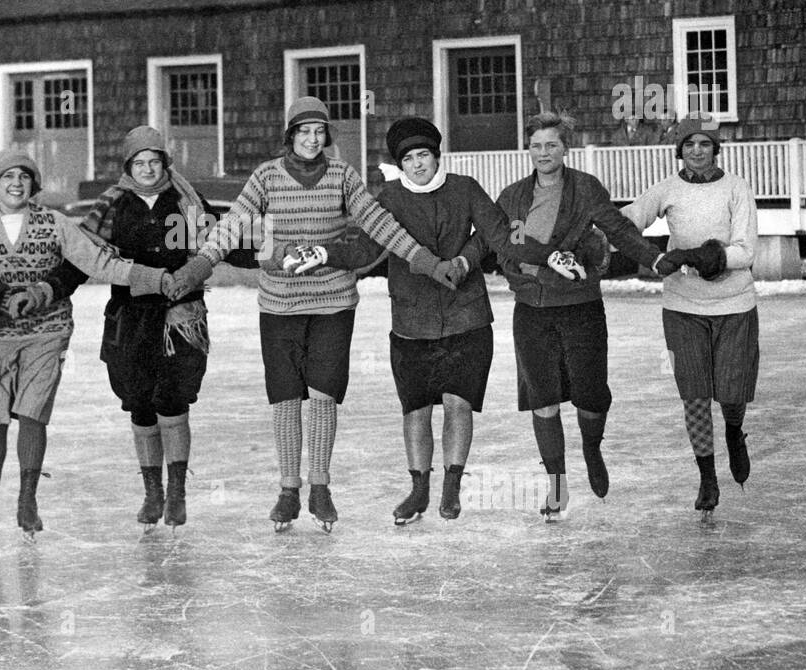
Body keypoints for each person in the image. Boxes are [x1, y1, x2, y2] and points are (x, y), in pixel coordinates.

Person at [168, 96, 451, 533]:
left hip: (332, 303)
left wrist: (426, 260)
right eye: (304, 131)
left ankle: (319, 486)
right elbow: (234, 224)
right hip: (280, 305)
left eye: (319, 132)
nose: (312, 140)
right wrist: (199, 265)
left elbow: (378, 223)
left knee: (322, 396)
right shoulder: (266, 176)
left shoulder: (341, 175)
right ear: (290, 135)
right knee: (285, 398)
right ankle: (287, 489)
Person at [285, 117, 561, 525]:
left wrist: (528, 255)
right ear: (400, 164)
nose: (417, 164)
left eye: (424, 156)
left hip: (466, 316)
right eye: (409, 158)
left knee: (457, 403)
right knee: (415, 410)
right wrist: (324, 254)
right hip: (412, 320)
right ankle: (419, 489)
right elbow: (365, 247)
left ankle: (451, 485)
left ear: (437, 156)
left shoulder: (464, 188)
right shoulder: (391, 197)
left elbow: (497, 234)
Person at [45, 126, 257, 529]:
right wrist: (50, 288)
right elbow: (81, 259)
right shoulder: (112, 207)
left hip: (181, 317)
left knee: (173, 400)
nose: (147, 169)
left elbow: (222, 243)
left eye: (153, 161)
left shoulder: (186, 203)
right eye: (139, 162)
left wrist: (269, 258)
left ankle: (176, 492)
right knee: (140, 403)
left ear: (164, 163)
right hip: (130, 320)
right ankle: (152, 493)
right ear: (128, 167)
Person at [0, 149, 167, 541]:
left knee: (33, 413)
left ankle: (27, 500)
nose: (16, 183)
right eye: (8, 177)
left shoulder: (54, 223)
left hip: (48, 331)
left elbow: (99, 263)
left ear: (34, 185)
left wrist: (154, 278)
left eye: (23, 177)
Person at [496, 112, 677, 519]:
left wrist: (655, 258)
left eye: (552, 145)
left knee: (590, 393)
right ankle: (557, 485)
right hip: (532, 310)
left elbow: (618, 229)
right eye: (537, 145)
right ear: (528, 148)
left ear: (565, 148)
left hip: (580, 306)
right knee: (542, 397)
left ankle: (592, 449)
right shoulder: (511, 196)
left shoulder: (585, 188)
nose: (544, 153)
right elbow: (502, 246)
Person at [621, 115, 760, 514]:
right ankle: (707, 477)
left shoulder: (736, 188)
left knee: (731, 393)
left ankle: (734, 432)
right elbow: (628, 219)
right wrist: (602, 227)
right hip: (682, 307)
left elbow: (745, 252)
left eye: (704, 144)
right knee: (695, 395)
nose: (696, 151)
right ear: (678, 150)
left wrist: (700, 255)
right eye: (688, 144)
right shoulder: (668, 189)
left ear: (717, 149)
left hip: (734, 305)